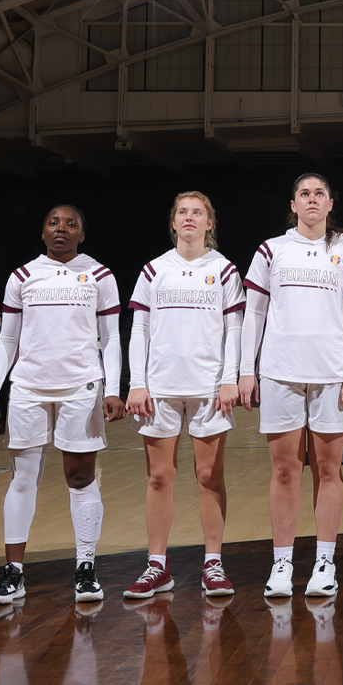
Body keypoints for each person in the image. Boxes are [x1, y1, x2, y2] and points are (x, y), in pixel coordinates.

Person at [0, 205, 125, 604]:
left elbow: (111, 338)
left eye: (71, 224)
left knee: (79, 478)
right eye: (54, 223)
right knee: (22, 479)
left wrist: (112, 388)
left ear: (82, 235)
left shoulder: (100, 275)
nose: (62, 229)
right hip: (28, 388)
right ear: (42, 232)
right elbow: (7, 341)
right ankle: (13, 572)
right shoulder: (23, 276)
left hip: (81, 386)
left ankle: (86, 568)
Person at [240, 173, 343, 599]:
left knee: (329, 470)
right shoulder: (271, 250)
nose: (312, 200)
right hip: (280, 372)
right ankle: (281, 563)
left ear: (330, 204)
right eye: (304, 194)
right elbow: (254, 314)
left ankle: (324, 562)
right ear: (293, 204)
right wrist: (246, 370)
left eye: (319, 194)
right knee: (284, 471)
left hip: (333, 374)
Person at [123, 192, 244, 599]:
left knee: (209, 476)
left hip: (210, 387)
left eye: (198, 212)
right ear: (173, 222)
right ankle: (157, 565)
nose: (189, 218)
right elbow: (139, 329)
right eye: (182, 212)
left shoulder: (224, 270)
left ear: (210, 223)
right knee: (160, 477)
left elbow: (235, 330)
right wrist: (136, 382)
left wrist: (230, 379)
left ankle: (213, 562)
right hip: (160, 388)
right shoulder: (154, 269)